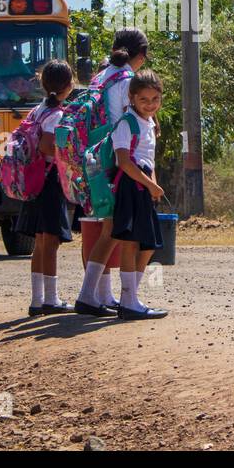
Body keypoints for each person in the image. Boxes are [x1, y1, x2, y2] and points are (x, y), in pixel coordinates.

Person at [75, 28, 149, 316]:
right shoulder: (128, 80)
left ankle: (99, 295)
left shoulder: (99, 75)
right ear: (141, 55)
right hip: (114, 158)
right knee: (112, 230)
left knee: (100, 228)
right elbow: (129, 121)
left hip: (90, 157)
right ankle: (91, 296)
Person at [11, 60, 78, 315]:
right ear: (69, 85)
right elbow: (47, 146)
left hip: (34, 178)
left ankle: (37, 299)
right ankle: (51, 299)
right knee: (50, 241)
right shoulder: (57, 114)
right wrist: (69, 157)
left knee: (40, 241)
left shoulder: (37, 110)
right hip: (49, 180)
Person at [108, 69, 167, 319]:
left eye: (155, 99)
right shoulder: (126, 123)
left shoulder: (150, 122)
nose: (150, 104)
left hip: (144, 187)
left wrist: (153, 184)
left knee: (148, 245)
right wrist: (150, 184)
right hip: (130, 186)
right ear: (132, 98)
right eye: (144, 100)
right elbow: (124, 162)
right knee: (131, 244)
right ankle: (129, 302)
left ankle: (130, 298)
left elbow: (148, 159)